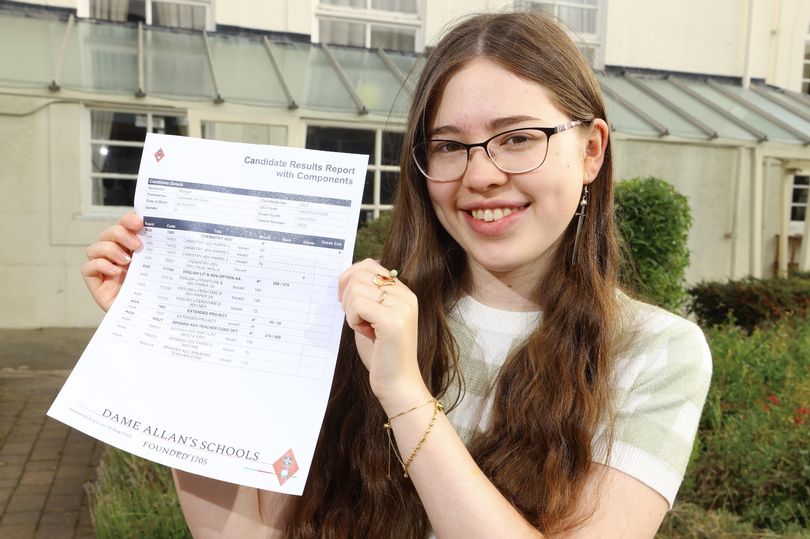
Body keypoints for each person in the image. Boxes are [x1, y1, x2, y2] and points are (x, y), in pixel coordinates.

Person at [81, 11, 712, 538]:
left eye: (517, 137)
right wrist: (172, 341)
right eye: (447, 145)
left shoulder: (656, 353)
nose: (481, 174)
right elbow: (248, 533)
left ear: (592, 150)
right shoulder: (355, 317)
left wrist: (404, 391)